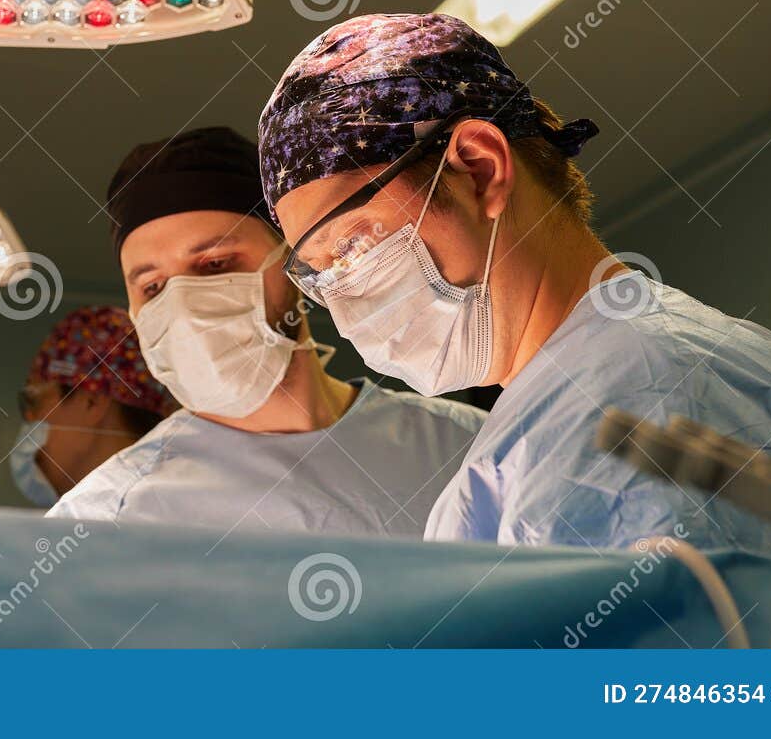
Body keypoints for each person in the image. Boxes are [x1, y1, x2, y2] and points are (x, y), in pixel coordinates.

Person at [258, 11, 771, 640]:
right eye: (317, 273)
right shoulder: (569, 408)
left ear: (477, 169)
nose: (345, 303)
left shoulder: (641, 395)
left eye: (351, 244)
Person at [47, 126, 485, 537]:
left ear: (295, 263)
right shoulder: (103, 521)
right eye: (153, 287)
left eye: (216, 264)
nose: (185, 304)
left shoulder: (467, 449)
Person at [9, 306, 175, 507]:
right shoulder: (174, 498)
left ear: (91, 402)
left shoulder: (120, 513)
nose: (29, 415)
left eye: (36, 400)